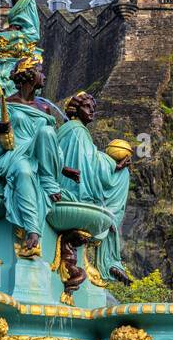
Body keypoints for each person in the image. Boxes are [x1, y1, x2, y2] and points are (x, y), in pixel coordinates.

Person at [0, 57, 64, 256]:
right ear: (29, 75)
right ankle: (32, 230)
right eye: (40, 71)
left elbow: (53, 144)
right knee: (24, 171)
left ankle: (47, 178)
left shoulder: (44, 109)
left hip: (40, 156)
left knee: (46, 132)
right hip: (15, 154)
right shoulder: (7, 104)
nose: (44, 76)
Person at [55, 92, 132, 284]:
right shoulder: (76, 131)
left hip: (69, 186)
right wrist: (115, 166)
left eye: (93, 109)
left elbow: (89, 158)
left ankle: (112, 260)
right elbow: (89, 162)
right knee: (122, 177)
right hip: (73, 189)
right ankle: (109, 260)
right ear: (75, 109)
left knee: (109, 216)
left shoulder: (71, 130)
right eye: (88, 107)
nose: (92, 112)